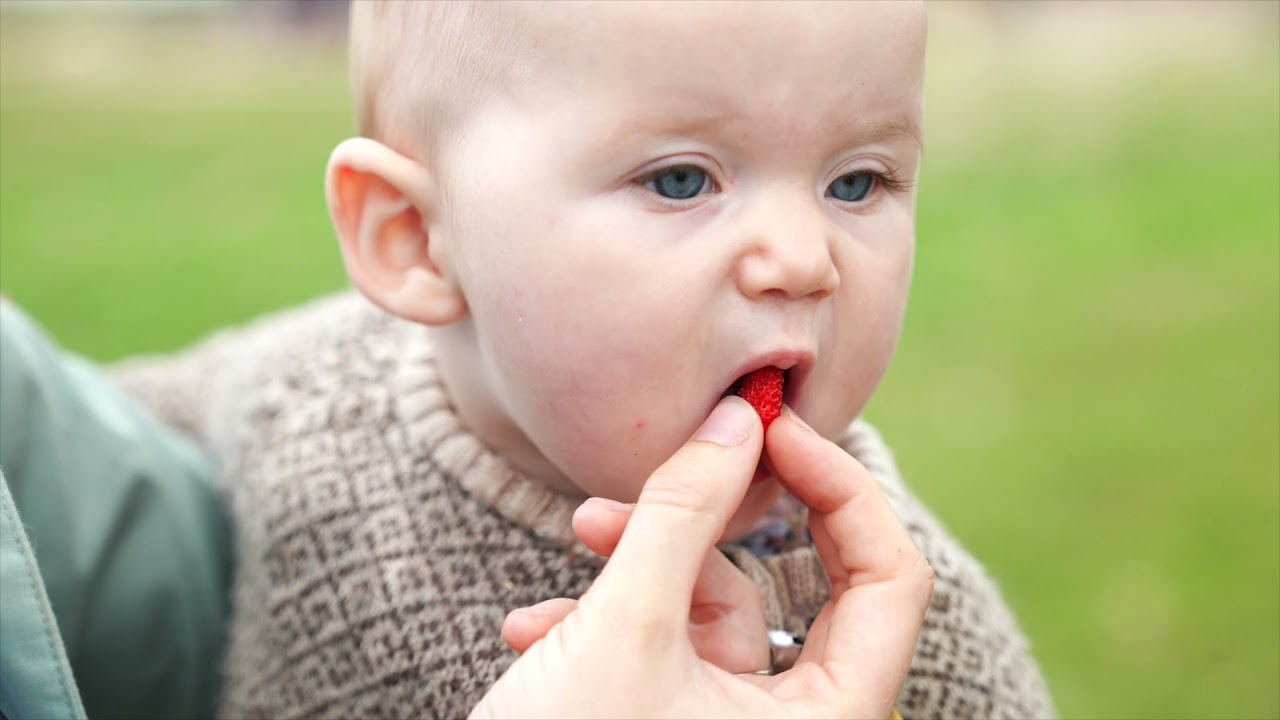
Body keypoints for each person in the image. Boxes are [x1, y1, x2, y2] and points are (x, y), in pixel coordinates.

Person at [102, 1, 1055, 717]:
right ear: (415, 239)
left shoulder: (900, 637)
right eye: (681, 180)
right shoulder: (300, 393)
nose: (805, 260)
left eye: (858, 181)